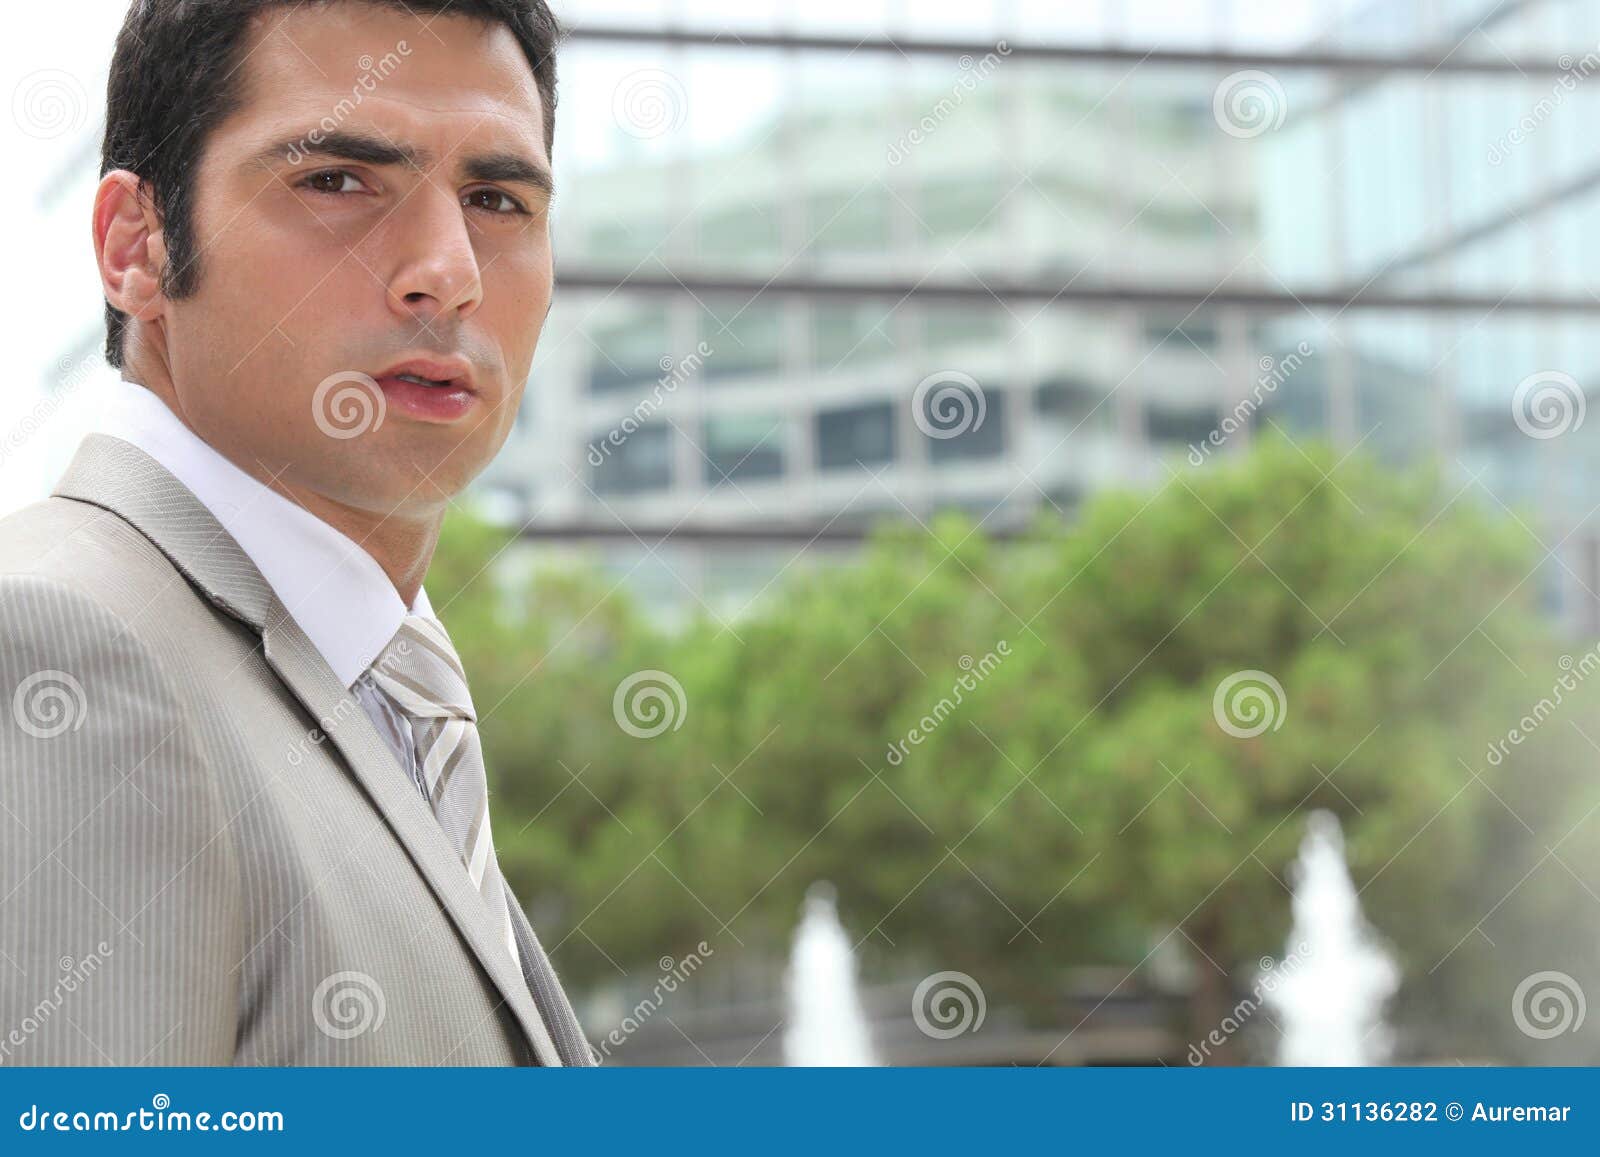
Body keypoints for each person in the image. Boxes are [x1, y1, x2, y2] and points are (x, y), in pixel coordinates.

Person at [0, 0, 593, 1066]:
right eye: (337, 181)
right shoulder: (59, 645)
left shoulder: (376, 679)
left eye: (497, 198)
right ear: (137, 244)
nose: (446, 270)